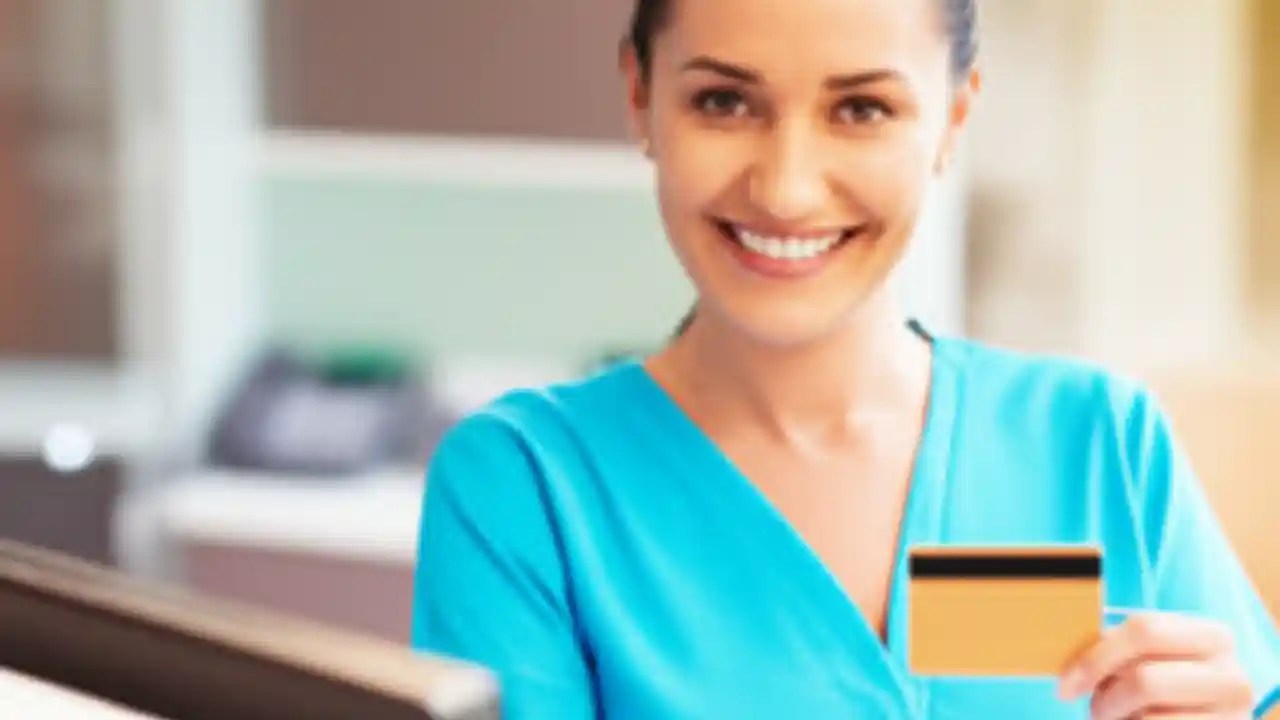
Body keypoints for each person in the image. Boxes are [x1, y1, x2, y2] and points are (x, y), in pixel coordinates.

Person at [409, 0, 1280, 717]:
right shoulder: (525, 488)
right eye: (723, 101)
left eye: (861, 110)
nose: (786, 187)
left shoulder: (1103, 443)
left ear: (952, 119)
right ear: (641, 98)